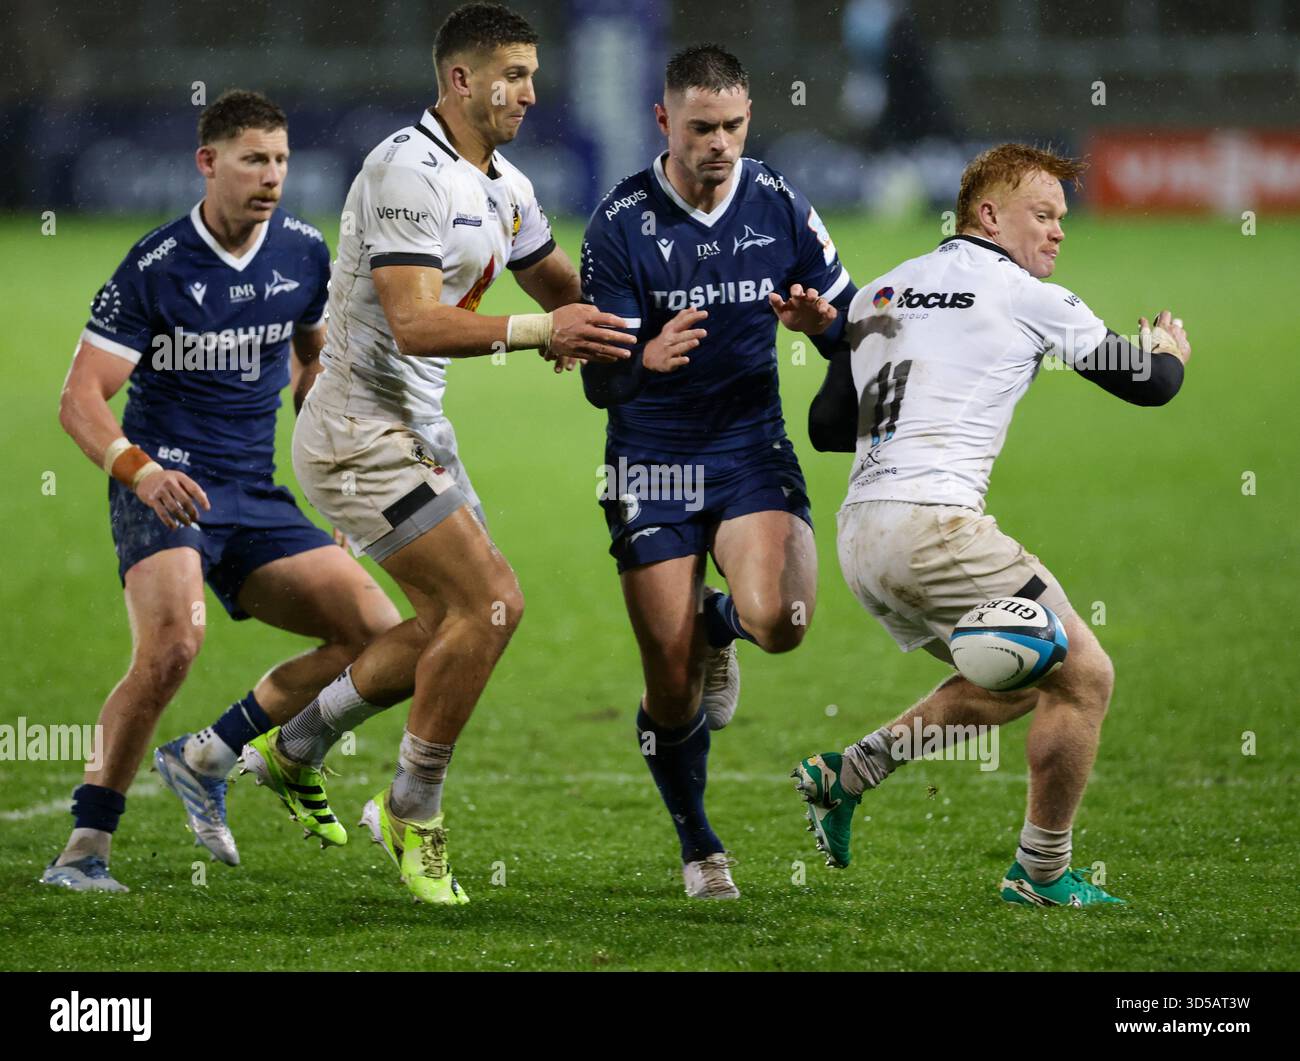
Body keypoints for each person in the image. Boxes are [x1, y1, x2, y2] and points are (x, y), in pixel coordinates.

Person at [240, 1, 634, 905]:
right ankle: (411, 811)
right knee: (492, 605)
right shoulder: (403, 172)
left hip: (415, 432)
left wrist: (634, 334)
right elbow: (416, 322)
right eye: (515, 74)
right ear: (461, 79)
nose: (533, 92)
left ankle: (293, 747)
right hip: (356, 434)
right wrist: (544, 332)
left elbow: (562, 283)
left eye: (534, 73)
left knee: (444, 629)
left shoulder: (502, 183)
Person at [793, 143, 1191, 907]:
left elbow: (827, 425)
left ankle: (848, 776)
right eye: (1042, 215)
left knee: (1018, 669)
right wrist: (1166, 349)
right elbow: (1150, 387)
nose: (1058, 233)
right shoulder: (1023, 295)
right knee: (1087, 675)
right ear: (986, 214)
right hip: (937, 526)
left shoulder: (881, 288)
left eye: (1062, 219)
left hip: (863, 537)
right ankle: (1040, 872)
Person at [43, 90, 402, 893]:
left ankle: (210, 752)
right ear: (208, 163)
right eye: (253, 159)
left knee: (380, 636)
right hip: (165, 486)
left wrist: (336, 485)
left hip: (255, 492)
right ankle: (84, 847)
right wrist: (140, 469)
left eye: (280, 160)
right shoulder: (156, 265)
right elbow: (80, 397)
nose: (271, 175)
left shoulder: (306, 253)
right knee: (172, 647)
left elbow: (315, 367)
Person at [580, 44, 857, 899]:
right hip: (652, 462)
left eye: (734, 125)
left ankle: (722, 623)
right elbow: (598, 380)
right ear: (663, 121)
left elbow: (852, 320)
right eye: (701, 127)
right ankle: (699, 844)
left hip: (748, 449)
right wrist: (643, 358)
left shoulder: (777, 201)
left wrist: (819, 324)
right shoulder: (620, 222)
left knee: (784, 621)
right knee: (669, 682)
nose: (721, 143)